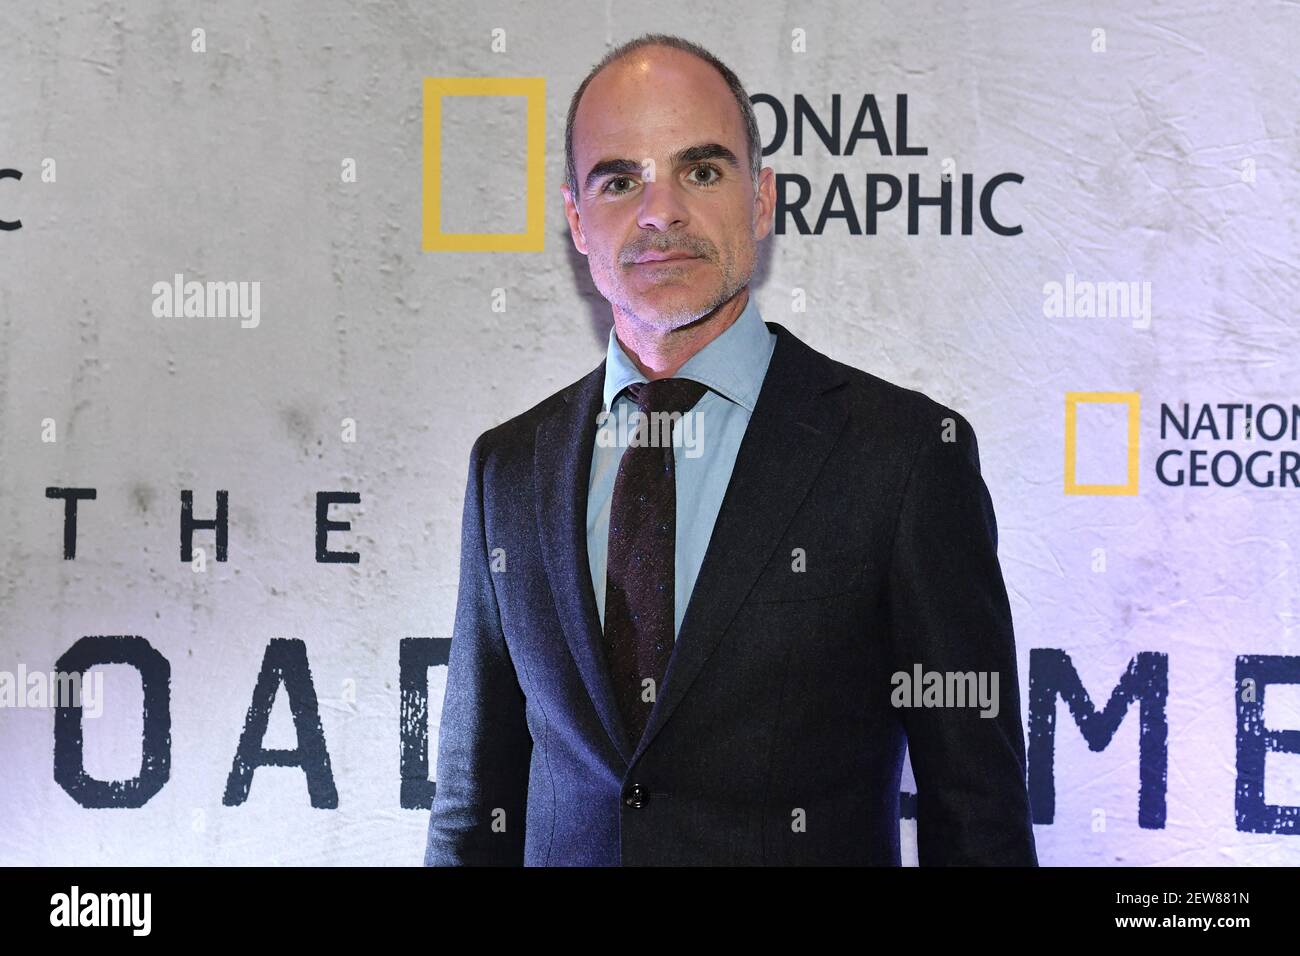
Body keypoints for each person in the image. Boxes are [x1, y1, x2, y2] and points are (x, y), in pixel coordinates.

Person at [424, 33, 1037, 866]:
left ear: (762, 201)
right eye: (619, 179)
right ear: (576, 221)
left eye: (701, 171)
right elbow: (473, 805)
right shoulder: (509, 468)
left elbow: (979, 819)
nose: (660, 211)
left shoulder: (903, 458)